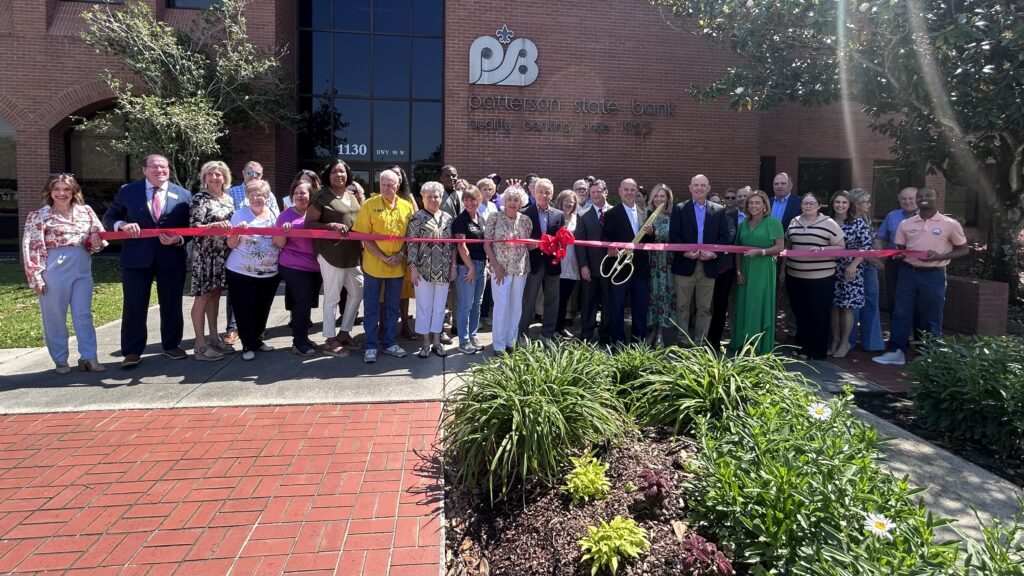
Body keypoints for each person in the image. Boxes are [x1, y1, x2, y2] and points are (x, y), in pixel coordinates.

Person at [103, 154, 192, 368]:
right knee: (135, 304)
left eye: (164, 167)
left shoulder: (183, 194)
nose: (160, 171)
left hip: (170, 257)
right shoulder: (128, 192)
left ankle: (171, 345)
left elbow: (190, 227)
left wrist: (179, 239)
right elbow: (109, 218)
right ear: (144, 170)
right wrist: (122, 225)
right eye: (155, 167)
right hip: (136, 258)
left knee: (171, 303)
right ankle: (132, 351)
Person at [22, 173, 107, 374]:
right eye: (57, 189)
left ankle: (89, 357)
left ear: (74, 191)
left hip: (81, 265)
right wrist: (35, 276)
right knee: (55, 316)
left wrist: (96, 243)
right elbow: (31, 246)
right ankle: (60, 360)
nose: (62, 193)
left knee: (83, 314)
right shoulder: (39, 215)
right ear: (49, 192)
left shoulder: (85, 211)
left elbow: (98, 238)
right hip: (54, 267)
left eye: (66, 189)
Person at [873, 188, 968, 366]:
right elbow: (900, 249)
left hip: (934, 275)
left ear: (937, 197)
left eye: (928, 195)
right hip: (908, 273)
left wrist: (939, 256)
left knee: (931, 315)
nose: (923, 199)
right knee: (900, 312)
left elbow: (963, 249)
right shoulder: (906, 224)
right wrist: (898, 254)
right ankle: (897, 351)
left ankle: (931, 355)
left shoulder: (950, 223)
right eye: (920, 196)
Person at [351, 169, 415, 363]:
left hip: (397, 265)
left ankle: (389, 343)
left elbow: (410, 237)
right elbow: (364, 236)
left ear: (397, 185)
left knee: (393, 306)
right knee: (371, 306)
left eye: (390, 185)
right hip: (374, 266)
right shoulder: (369, 205)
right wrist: (381, 256)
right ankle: (370, 345)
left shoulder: (406, 207)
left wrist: (401, 254)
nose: (386, 188)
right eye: (383, 185)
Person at [304, 158, 363, 356]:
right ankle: (329, 339)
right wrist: (329, 226)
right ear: (328, 176)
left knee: (358, 290)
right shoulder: (322, 196)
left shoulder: (352, 194)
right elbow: (308, 224)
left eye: (343, 172)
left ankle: (344, 332)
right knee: (332, 296)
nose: (339, 175)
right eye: (335, 172)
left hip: (352, 253)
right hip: (331, 253)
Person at [669, 174, 732, 346]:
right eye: (696, 185)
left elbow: (723, 238)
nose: (699, 188)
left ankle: (700, 341)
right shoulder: (680, 208)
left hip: (708, 265)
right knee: (682, 306)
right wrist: (685, 252)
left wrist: (714, 254)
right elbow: (673, 235)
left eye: (702, 185)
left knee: (704, 308)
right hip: (685, 265)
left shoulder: (718, 210)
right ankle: (683, 340)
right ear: (690, 188)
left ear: (708, 188)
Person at [783, 193, 845, 360]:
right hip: (794, 275)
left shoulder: (829, 223)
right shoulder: (794, 222)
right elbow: (788, 246)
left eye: (812, 203)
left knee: (818, 314)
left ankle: (816, 351)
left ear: (819, 206)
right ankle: (801, 347)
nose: (808, 206)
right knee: (800, 313)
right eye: (805, 203)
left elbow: (841, 247)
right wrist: (783, 269)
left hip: (821, 278)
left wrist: (822, 250)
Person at [225, 180, 282, 361]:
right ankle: (247, 345)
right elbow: (231, 244)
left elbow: (279, 242)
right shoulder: (239, 215)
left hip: (269, 272)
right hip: (241, 271)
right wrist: (237, 232)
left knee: (263, 308)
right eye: (253, 194)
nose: (257, 198)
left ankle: (258, 340)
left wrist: (283, 232)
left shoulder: (274, 214)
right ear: (248, 197)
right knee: (244, 309)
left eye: (261, 195)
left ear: (267, 197)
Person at [188, 161, 235, 362]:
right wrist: (214, 225)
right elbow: (194, 227)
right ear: (204, 178)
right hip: (205, 255)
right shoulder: (200, 198)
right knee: (203, 296)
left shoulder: (229, 199)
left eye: (218, 174)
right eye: (210, 174)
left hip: (223, 254)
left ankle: (214, 337)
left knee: (215, 295)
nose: (214, 178)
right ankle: (200, 344)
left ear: (225, 177)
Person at [274, 180, 324, 356]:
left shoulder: (317, 214)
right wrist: (283, 232)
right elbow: (278, 244)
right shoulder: (285, 216)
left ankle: (304, 337)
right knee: (301, 302)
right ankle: (298, 343)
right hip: (293, 265)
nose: (300, 196)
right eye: (296, 193)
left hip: (315, 266)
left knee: (308, 303)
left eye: (303, 193)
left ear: (311, 195)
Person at [406, 182, 456, 358]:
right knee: (424, 306)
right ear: (423, 198)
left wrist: (453, 266)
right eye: (429, 196)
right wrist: (413, 269)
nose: (433, 199)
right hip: (422, 270)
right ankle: (425, 342)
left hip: (443, 269)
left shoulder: (448, 218)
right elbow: (411, 244)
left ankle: (437, 341)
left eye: (436, 196)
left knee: (439, 307)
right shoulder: (416, 218)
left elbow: (453, 247)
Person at [732, 190, 785, 353]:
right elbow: (738, 249)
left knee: (758, 303)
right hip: (746, 269)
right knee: (744, 304)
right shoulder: (743, 224)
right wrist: (739, 271)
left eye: (757, 203)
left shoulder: (773, 222)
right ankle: (742, 341)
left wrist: (760, 252)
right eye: (751, 203)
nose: (753, 206)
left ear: (764, 206)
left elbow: (779, 247)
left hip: (763, 269)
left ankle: (759, 344)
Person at [602, 178, 654, 344]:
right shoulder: (611, 214)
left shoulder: (645, 213)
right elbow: (606, 238)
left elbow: (651, 243)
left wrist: (651, 233)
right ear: (619, 191)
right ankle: (617, 340)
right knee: (617, 306)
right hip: (620, 268)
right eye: (626, 189)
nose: (630, 193)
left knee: (640, 307)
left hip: (640, 268)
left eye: (633, 190)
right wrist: (611, 248)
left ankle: (638, 341)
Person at [484, 184, 532, 355]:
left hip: (520, 269)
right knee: (501, 306)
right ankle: (498, 344)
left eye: (516, 200)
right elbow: (487, 243)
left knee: (516, 306)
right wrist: (495, 266)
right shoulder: (495, 217)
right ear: (504, 200)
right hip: (501, 269)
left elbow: (528, 246)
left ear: (521, 202)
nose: (512, 202)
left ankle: (511, 341)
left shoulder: (526, 221)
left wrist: (549, 244)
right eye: (510, 199)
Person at [829, 190, 874, 358]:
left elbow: (866, 247)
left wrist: (854, 265)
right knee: (833, 306)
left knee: (846, 307)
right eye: (837, 202)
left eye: (844, 202)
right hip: (829, 268)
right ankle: (834, 340)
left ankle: (845, 342)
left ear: (849, 205)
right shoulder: (828, 222)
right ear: (832, 204)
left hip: (850, 269)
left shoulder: (858, 223)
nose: (840, 205)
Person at [519, 177, 564, 341]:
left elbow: (561, 239)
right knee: (528, 300)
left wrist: (558, 247)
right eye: (540, 192)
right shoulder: (524, 213)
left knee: (552, 300)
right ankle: (522, 333)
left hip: (552, 263)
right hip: (533, 262)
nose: (544, 195)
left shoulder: (559, 215)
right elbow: (522, 240)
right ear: (534, 193)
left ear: (552, 194)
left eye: (547, 192)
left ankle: (547, 334)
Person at [847, 188, 885, 352]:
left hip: (869, 268)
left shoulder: (866, 219)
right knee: (852, 305)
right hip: (853, 267)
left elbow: (871, 239)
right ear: (855, 203)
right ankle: (849, 342)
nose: (868, 205)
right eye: (865, 202)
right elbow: (850, 246)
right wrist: (871, 258)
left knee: (871, 302)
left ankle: (872, 343)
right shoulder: (847, 221)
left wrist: (876, 242)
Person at [453, 185, 488, 354]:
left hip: (482, 265)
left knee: (477, 304)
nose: (469, 203)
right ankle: (463, 340)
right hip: (467, 267)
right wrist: (471, 268)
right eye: (466, 199)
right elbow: (461, 247)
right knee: (465, 305)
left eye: (472, 199)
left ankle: (473, 335)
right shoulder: (461, 220)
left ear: (479, 200)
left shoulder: (481, 218)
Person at [576, 179, 612, 343]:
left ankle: (605, 335)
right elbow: (580, 244)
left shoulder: (615, 212)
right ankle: (586, 335)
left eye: (599, 191)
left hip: (612, 268)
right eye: (593, 192)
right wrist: (583, 266)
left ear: (605, 192)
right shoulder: (583, 216)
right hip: (590, 267)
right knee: (588, 302)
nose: (596, 195)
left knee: (608, 303)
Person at [707, 186, 742, 351]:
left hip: (725, 269)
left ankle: (714, 342)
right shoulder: (703, 219)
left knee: (720, 307)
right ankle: (702, 340)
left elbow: (729, 241)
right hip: (705, 267)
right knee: (705, 307)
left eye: (717, 203)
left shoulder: (729, 220)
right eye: (711, 203)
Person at [876, 186, 919, 315]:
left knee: (917, 295)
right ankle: (895, 325)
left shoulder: (926, 217)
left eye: (911, 198)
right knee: (893, 295)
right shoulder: (892, 215)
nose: (907, 201)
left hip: (918, 263)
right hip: (894, 262)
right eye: (903, 199)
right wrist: (877, 245)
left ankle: (917, 328)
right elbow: (881, 237)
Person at [392, 165, 420, 341]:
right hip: (385, 254)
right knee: (385, 294)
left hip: (406, 252)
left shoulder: (408, 198)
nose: (396, 177)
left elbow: (416, 220)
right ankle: (386, 327)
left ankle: (405, 326)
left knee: (404, 292)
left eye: (399, 174)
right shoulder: (377, 198)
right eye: (393, 174)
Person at [646, 183, 675, 347]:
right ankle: (652, 330)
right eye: (656, 196)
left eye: (662, 196)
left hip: (667, 263)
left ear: (668, 198)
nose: (659, 199)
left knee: (664, 296)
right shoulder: (647, 215)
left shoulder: (673, 216)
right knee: (651, 296)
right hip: (651, 263)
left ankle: (661, 333)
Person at [554, 189, 581, 339]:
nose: (569, 203)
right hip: (556, 264)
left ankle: (560, 327)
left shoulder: (578, 219)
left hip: (571, 263)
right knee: (555, 299)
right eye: (566, 200)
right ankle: (553, 328)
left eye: (572, 201)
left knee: (565, 298)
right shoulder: (555, 217)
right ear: (560, 201)